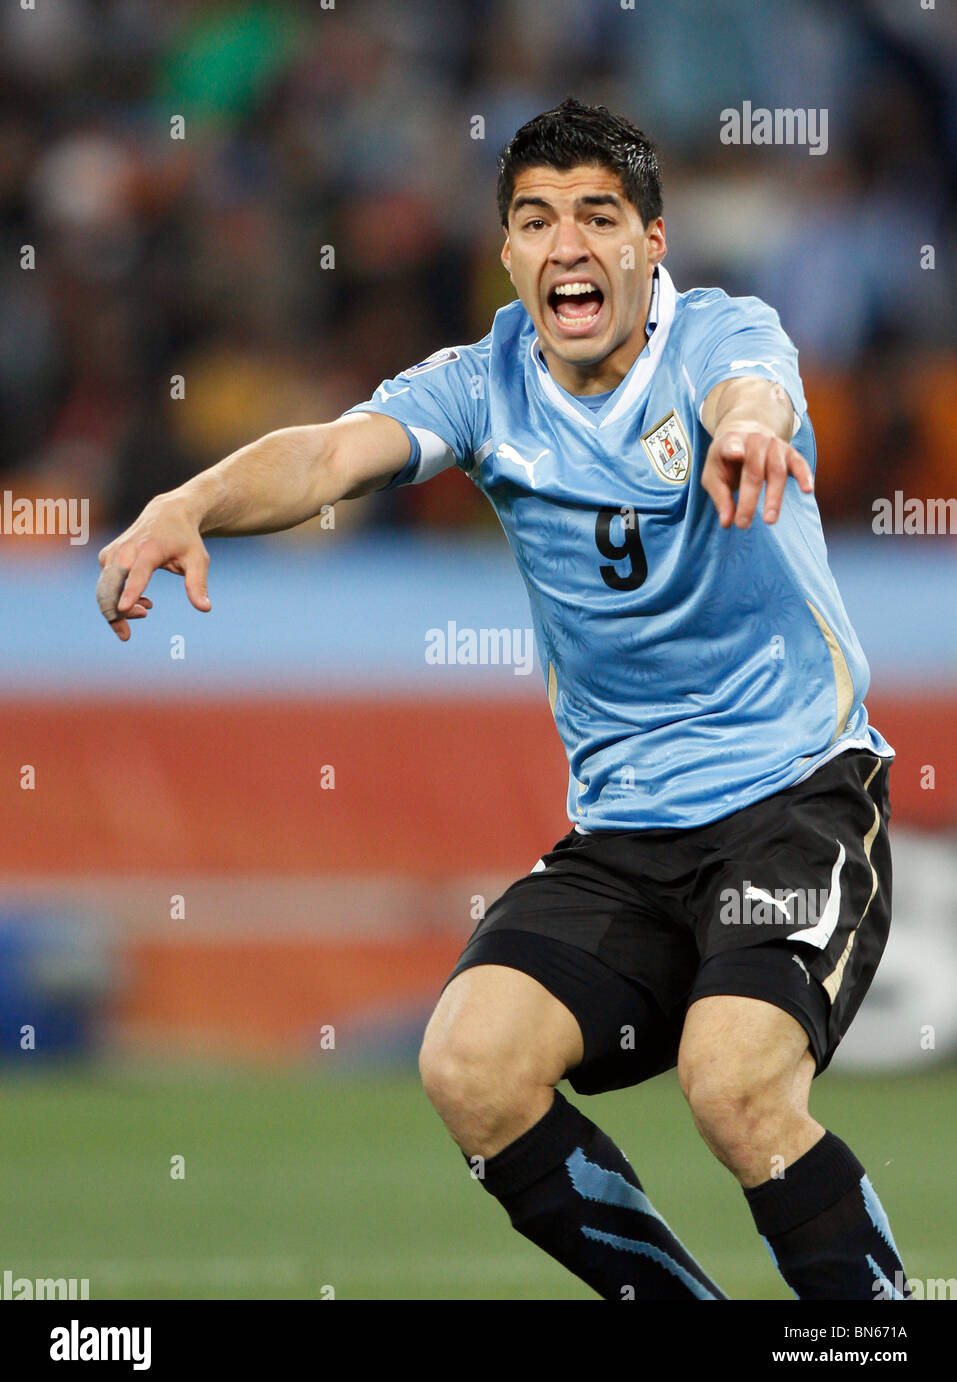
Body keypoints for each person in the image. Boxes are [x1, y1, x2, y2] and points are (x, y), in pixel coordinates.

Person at [97, 98, 909, 1301]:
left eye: (597, 216)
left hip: (796, 801)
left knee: (734, 1083)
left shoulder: (723, 337)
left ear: (653, 241)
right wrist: (187, 502)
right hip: (625, 837)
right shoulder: (483, 386)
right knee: (472, 1065)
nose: (567, 244)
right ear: (509, 256)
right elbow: (327, 454)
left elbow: (755, 395)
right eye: (536, 220)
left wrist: (747, 431)